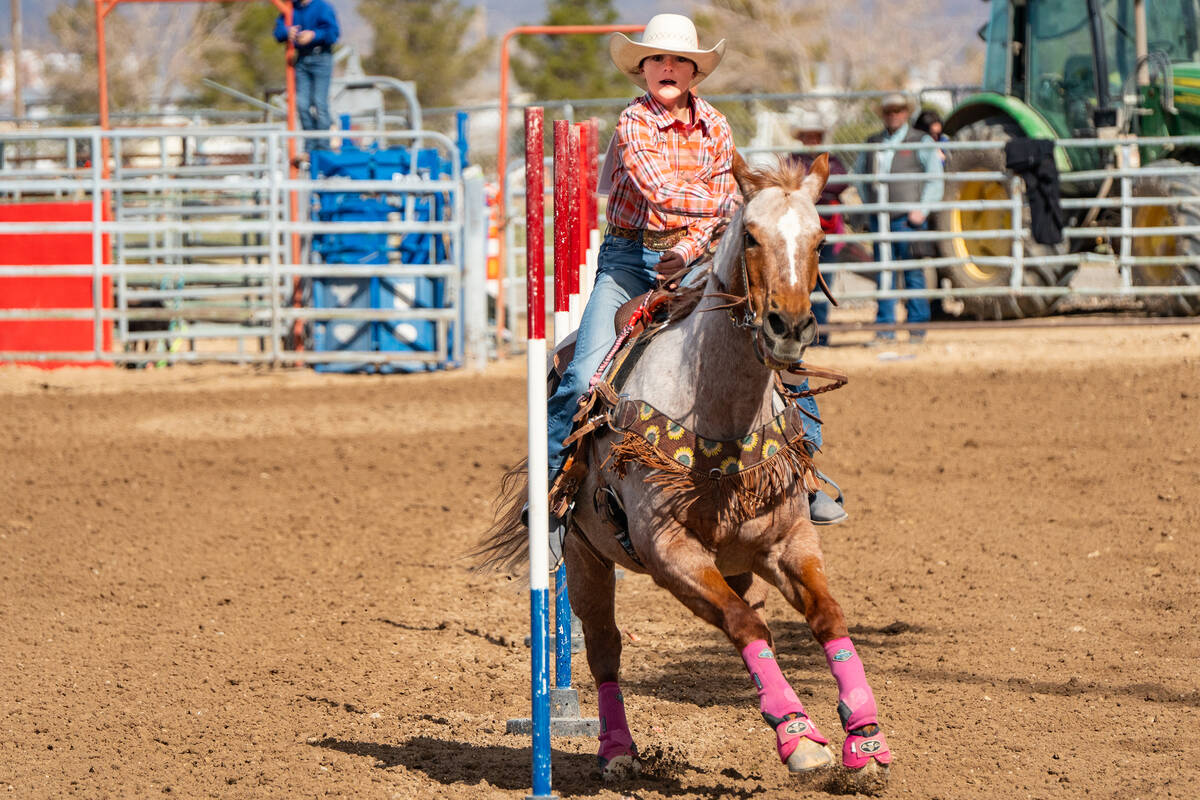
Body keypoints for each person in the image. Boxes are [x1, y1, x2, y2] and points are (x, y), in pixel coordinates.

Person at [544, 13, 846, 529]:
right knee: (581, 376)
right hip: (628, 264)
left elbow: (713, 214)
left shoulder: (716, 125)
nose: (666, 67)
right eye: (656, 59)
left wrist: (688, 250)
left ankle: (804, 471)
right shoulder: (632, 123)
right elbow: (661, 191)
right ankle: (555, 490)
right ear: (643, 71)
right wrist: (732, 199)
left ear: (692, 72)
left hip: (693, 258)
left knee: (772, 348)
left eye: (678, 60)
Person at [854, 92, 943, 343]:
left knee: (913, 272)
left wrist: (922, 209)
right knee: (884, 274)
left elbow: (934, 177)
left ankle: (916, 328)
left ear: (905, 113)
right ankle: (885, 328)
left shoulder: (920, 140)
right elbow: (859, 175)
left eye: (898, 110)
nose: (894, 115)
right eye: (889, 111)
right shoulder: (873, 143)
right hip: (880, 218)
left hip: (908, 219)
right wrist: (869, 203)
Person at [788, 113, 849, 347]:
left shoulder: (831, 161)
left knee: (824, 283)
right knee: (802, 285)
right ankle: (805, 335)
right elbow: (789, 185)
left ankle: (821, 334)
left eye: (816, 136)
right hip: (801, 232)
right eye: (808, 136)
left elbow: (840, 181)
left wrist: (809, 187)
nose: (812, 140)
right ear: (802, 138)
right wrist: (817, 185)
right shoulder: (794, 160)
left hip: (828, 231)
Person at [273, 0, 340, 153]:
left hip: (321, 57)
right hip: (302, 59)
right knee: (302, 104)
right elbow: (278, 32)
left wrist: (314, 35)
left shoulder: (322, 7)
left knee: (319, 104)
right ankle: (310, 146)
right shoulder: (291, 8)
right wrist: (287, 32)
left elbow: (334, 33)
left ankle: (323, 147)